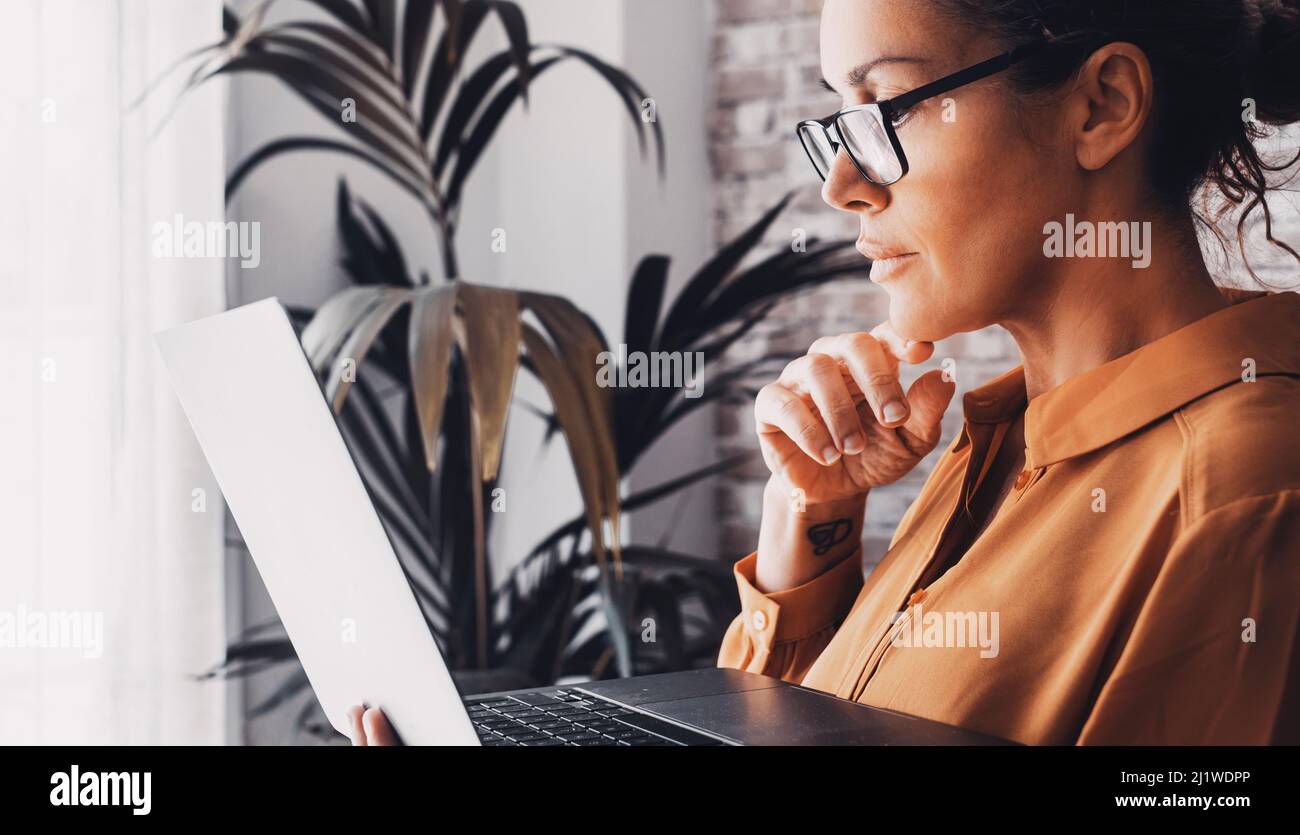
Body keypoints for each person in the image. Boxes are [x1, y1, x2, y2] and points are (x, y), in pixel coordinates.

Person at [350, 0, 1300, 745]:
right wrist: (808, 522)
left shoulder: (1246, 488)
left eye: (885, 107)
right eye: (835, 121)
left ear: (1102, 105)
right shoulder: (997, 441)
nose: (841, 183)